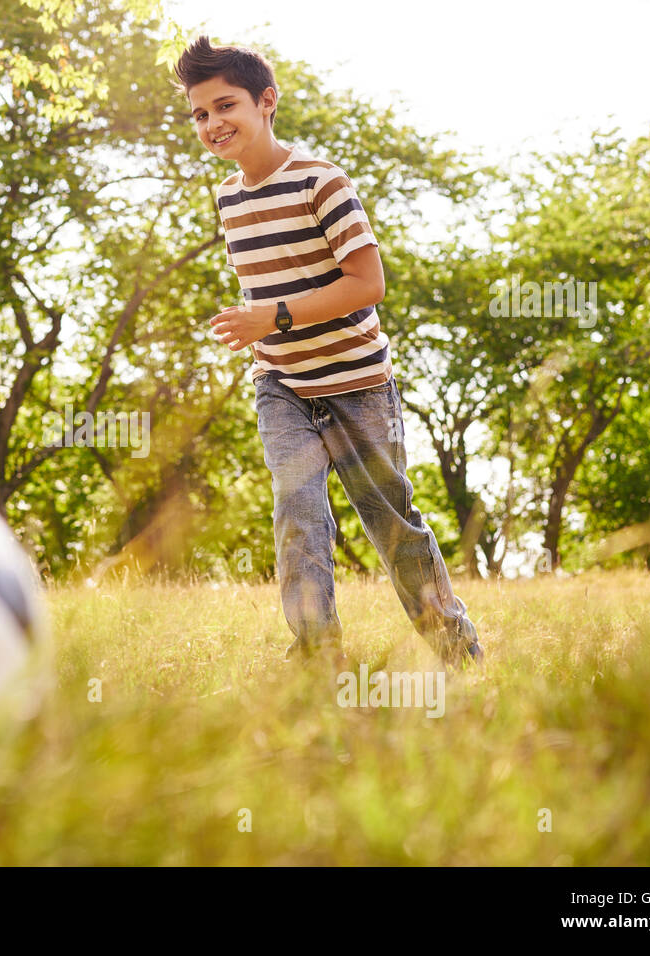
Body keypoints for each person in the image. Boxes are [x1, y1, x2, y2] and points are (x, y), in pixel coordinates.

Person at [173, 36, 483, 668]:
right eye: (199, 113)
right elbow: (266, 284)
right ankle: (316, 658)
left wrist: (274, 316)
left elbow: (367, 285)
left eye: (224, 105)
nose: (212, 124)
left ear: (267, 102)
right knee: (297, 515)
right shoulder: (229, 199)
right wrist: (263, 328)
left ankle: (456, 652)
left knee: (390, 520)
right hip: (282, 383)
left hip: (357, 380)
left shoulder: (323, 182)